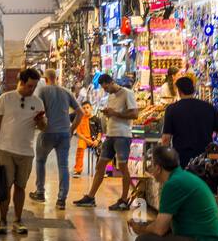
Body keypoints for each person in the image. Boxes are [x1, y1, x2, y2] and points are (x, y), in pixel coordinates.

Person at [0, 68, 47, 236]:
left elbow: (43, 127)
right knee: (5, 187)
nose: (32, 89)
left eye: (34, 87)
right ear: (21, 82)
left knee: (20, 187)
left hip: (26, 151)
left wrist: (40, 121)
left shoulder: (37, 102)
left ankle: (17, 220)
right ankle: (2, 220)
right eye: (29, 86)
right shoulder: (5, 98)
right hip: (6, 149)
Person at [74, 73, 138, 210]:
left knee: (122, 167)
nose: (106, 90)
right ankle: (90, 197)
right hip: (110, 135)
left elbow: (134, 114)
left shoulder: (127, 93)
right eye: (104, 88)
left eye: (106, 87)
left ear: (111, 82)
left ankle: (124, 200)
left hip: (122, 135)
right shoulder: (110, 96)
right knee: (100, 165)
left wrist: (115, 113)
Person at [30, 67, 82, 209]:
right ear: (56, 78)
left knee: (40, 161)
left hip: (48, 131)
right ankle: (61, 200)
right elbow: (80, 112)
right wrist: (72, 129)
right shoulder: (66, 91)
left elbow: (38, 111)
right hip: (64, 133)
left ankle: (40, 192)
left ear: (45, 79)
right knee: (63, 165)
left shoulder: (42, 91)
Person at [161, 75, 218, 170]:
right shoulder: (209, 108)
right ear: (193, 90)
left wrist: (164, 159)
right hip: (205, 159)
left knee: (185, 184)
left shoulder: (172, 109)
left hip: (182, 159)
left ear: (179, 91)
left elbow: (166, 139)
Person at [73, 98, 98, 176]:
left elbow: (100, 131)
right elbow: (78, 133)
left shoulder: (95, 119)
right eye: (84, 108)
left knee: (104, 149)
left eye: (87, 107)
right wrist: (86, 140)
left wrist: (96, 140)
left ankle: (104, 170)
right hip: (83, 139)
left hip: (94, 139)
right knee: (80, 148)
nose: (86, 110)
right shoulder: (80, 119)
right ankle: (78, 169)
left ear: (91, 108)